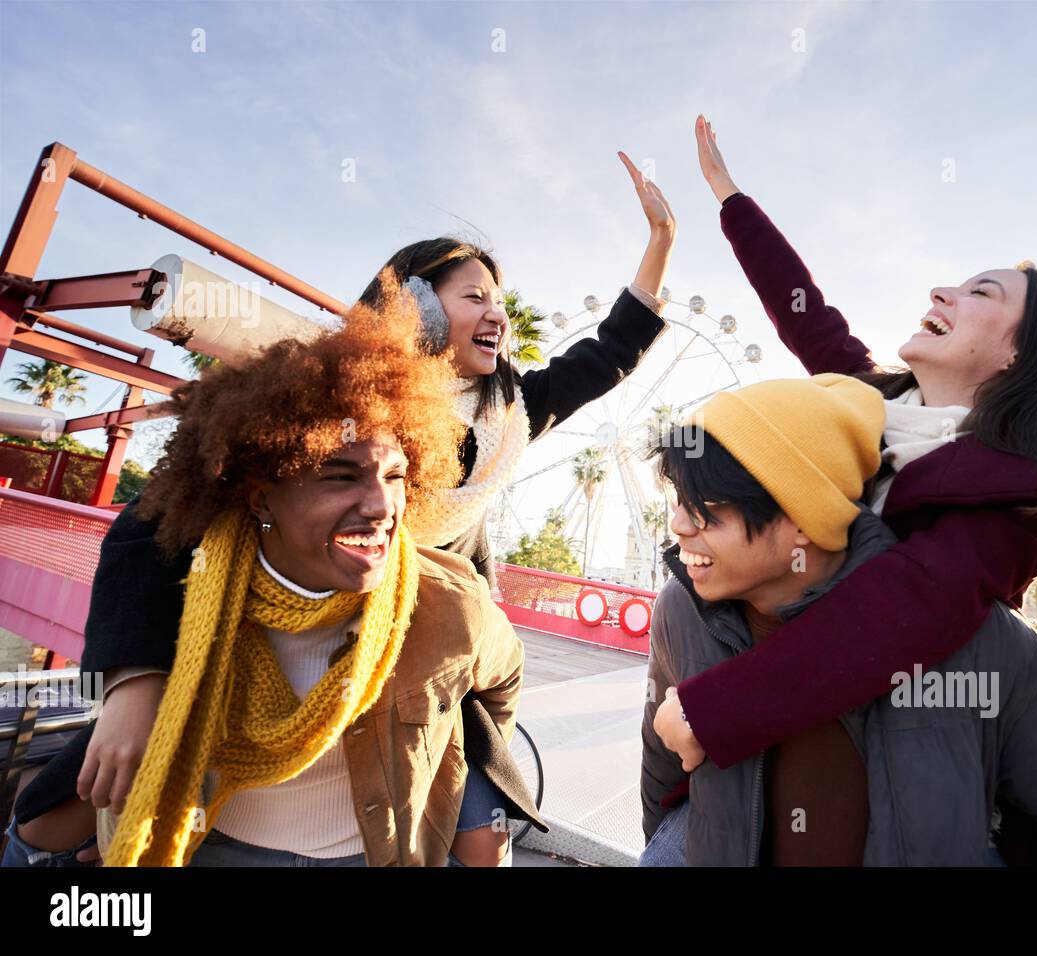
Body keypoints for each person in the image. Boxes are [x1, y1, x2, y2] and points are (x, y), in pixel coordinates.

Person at [9, 151, 676, 867]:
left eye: (499, 303)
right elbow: (153, 524)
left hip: (417, 645)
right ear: (413, 305)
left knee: (482, 833)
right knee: (73, 812)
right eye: (473, 297)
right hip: (265, 623)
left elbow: (606, 355)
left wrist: (660, 244)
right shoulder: (326, 399)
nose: (497, 316)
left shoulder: (510, 411)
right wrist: (135, 683)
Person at [646, 115, 1037, 781]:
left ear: (1020, 353)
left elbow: (901, 610)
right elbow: (802, 310)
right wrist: (730, 195)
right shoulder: (868, 404)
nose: (940, 291)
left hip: (887, 762)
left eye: (981, 291)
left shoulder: (1018, 498)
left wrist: (717, 710)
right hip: (756, 739)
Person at [5, 272, 525, 866]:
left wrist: (460, 782)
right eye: (341, 475)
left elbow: (502, 679)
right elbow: (142, 527)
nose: (382, 507)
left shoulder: (451, 603)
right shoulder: (182, 577)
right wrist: (131, 687)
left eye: (395, 476)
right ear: (260, 496)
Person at [639, 376, 1037, 865]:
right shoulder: (681, 612)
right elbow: (663, 776)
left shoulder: (973, 639)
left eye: (707, 507)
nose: (679, 525)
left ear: (802, 520)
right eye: (679, 502)